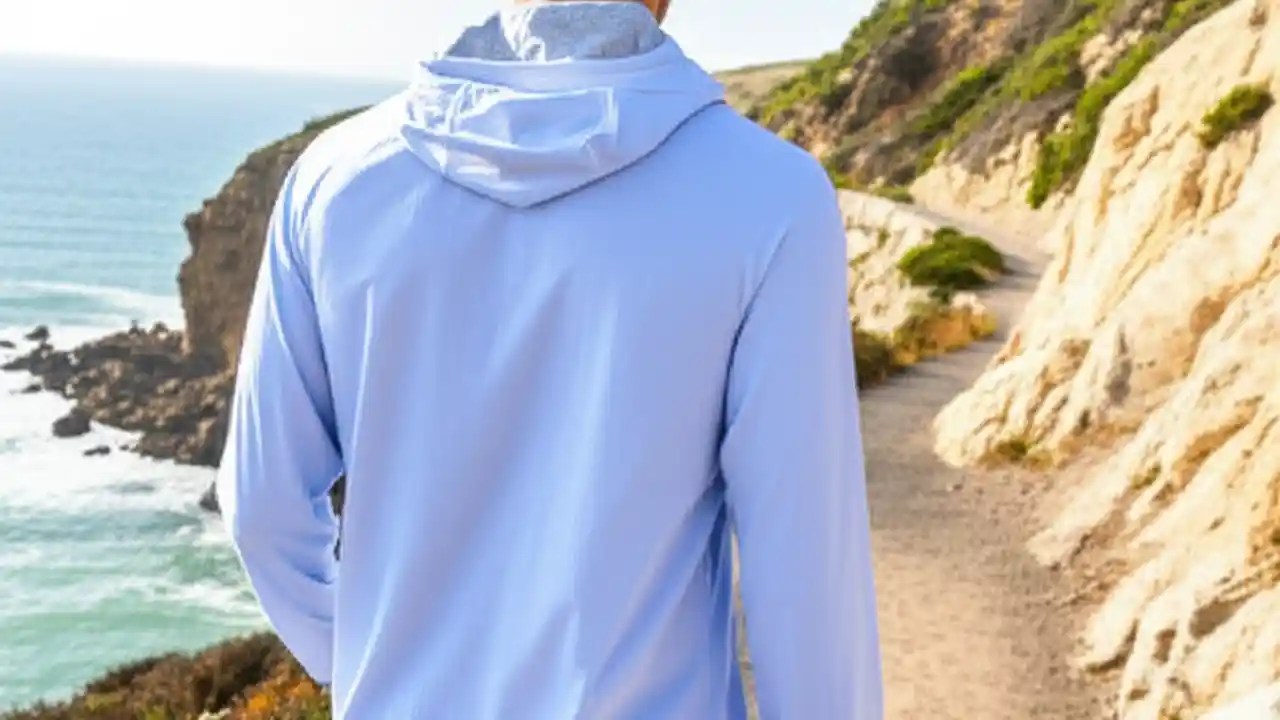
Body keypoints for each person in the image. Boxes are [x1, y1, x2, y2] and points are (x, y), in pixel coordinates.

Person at [215, 0, 883, 717]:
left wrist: (370, 670)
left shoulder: (333, 179)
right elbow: (805, 578)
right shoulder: (772, 196)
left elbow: (264, 509)